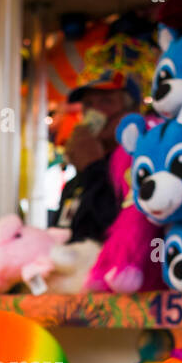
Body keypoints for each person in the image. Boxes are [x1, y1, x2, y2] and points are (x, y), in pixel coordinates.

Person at [51, 70, 141, 245]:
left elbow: (121, 232)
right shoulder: (77, 179)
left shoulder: (139, 167)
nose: (94, 110)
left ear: (132, 112)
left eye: (106, 101)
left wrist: (93, 167)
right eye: (88, 104)